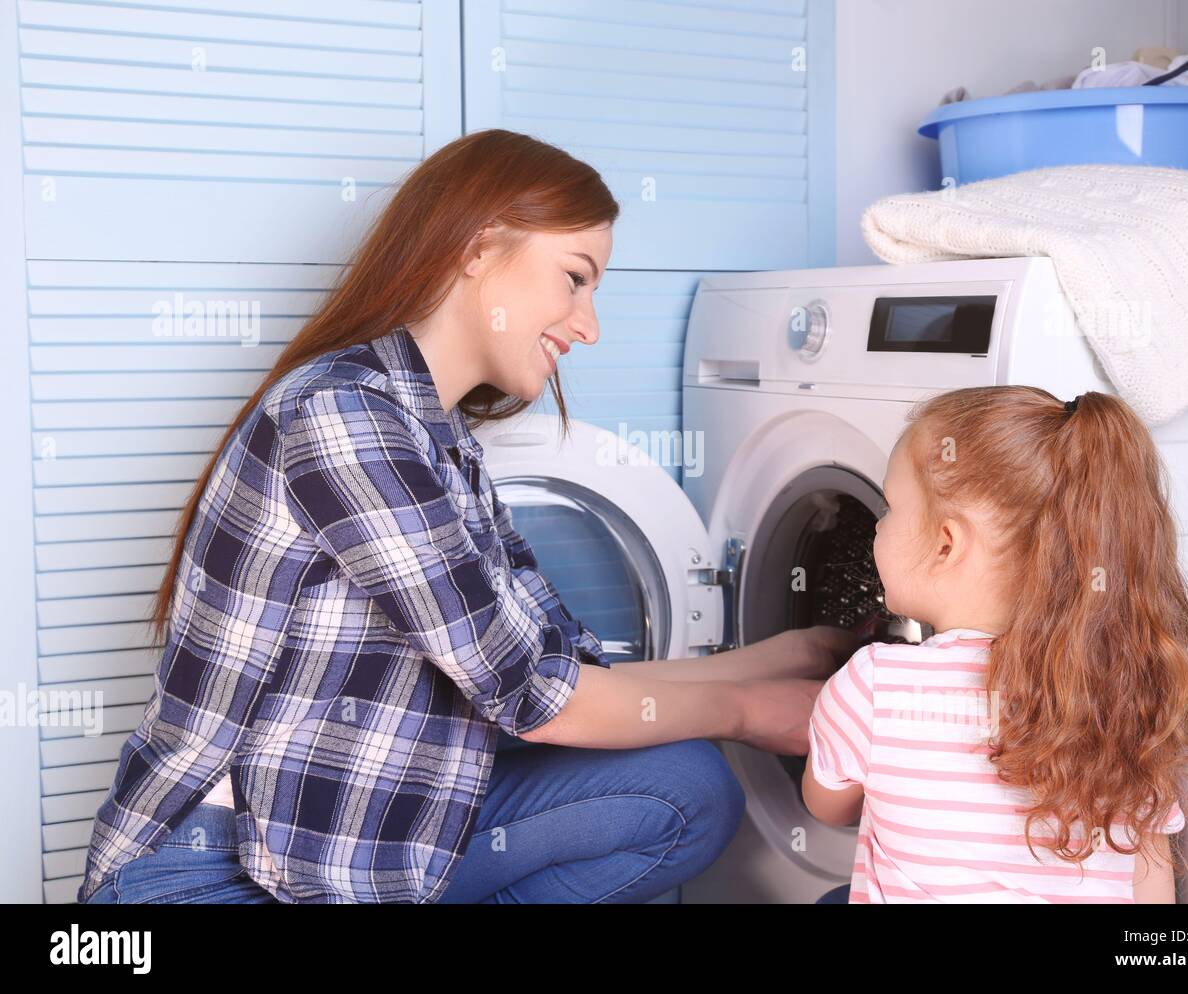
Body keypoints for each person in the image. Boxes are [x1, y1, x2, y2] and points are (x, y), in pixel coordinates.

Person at [78, 129, 859, 904]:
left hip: (366, 841)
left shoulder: (438, 437)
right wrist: (755, 712)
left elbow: (561, 668)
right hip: (216, 867)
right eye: (575, 279)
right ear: (480, 249)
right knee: (690, 763)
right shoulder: (343, 417)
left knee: (690, 790)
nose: (588, 325)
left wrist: (780, 654)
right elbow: (538, 703)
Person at [803, 386, 1188, 903]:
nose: (879, 525)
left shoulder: (873, 685)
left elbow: (826, 807)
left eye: (891, 506)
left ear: (947, 543)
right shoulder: (1126, 692)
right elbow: (1150, 887)